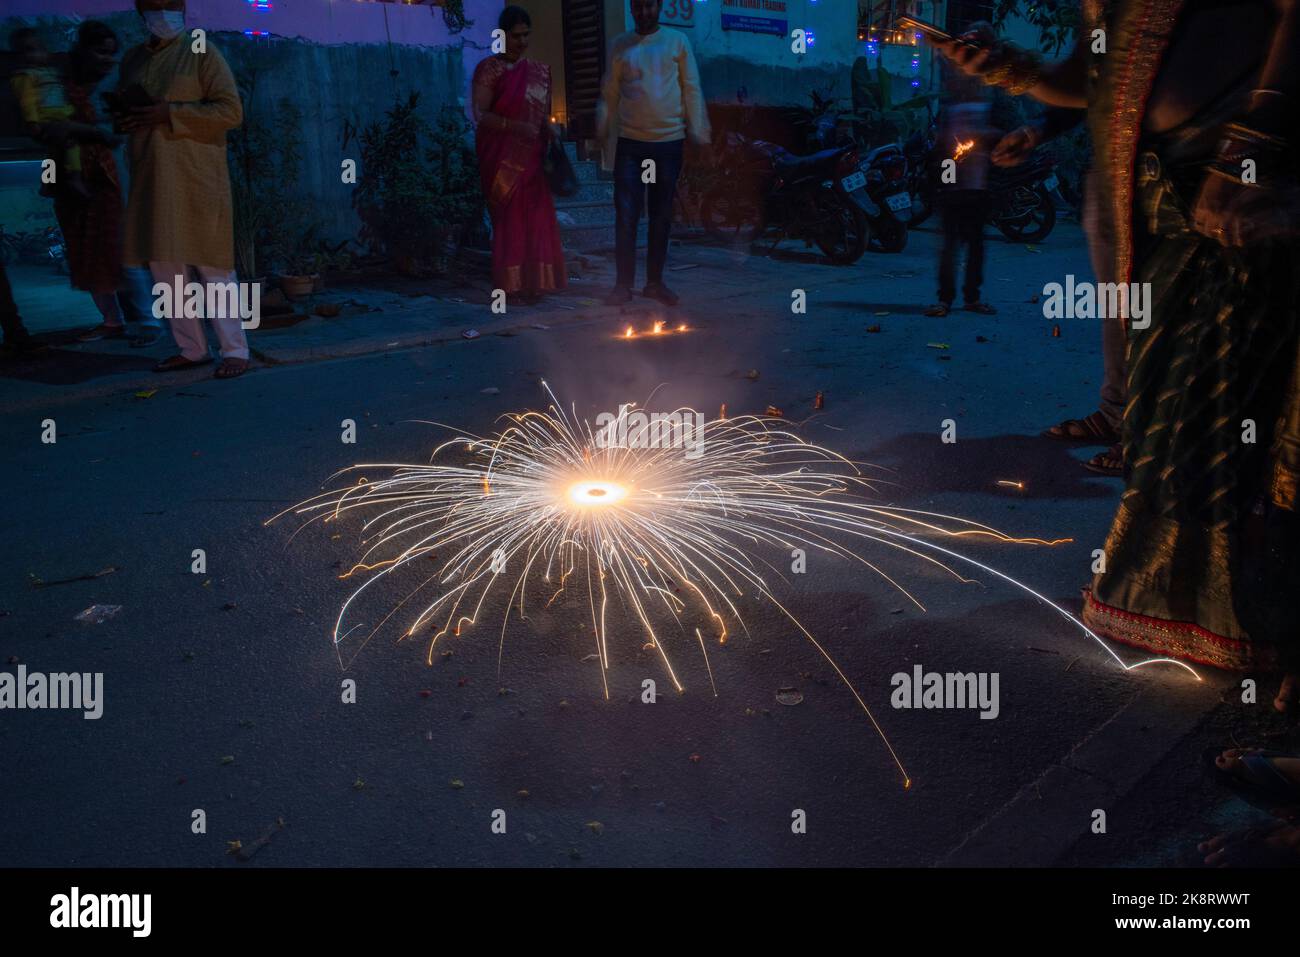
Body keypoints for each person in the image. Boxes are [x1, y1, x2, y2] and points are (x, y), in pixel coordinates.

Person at [931, 1, 1300, 691]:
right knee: (1163, 413)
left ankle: (1244, 619)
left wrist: (1252, 150)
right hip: (1162, 198)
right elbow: (1091, 80)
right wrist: (1010, 70)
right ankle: (1178, 604)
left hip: (1232, 197)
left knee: (1221, 412)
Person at [117, 0, 247, 379]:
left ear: (183, 8)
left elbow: (230, 112)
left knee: (212, 265)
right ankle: (192, 349)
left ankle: (235, 349)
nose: (161, 13)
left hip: (197, 175)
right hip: (151, 176)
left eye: (168, 4)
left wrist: (170, 113)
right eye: (153, 6)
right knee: (166, 268)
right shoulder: (133, 60)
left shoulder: (200, 49)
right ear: (140, 12)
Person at [995, 108, 1123, 476]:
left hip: (1180, 167)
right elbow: (1089, 77)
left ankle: (1154, 427)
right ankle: (1117, 411)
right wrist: (1038, 129)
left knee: (1154, 302)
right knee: (1121, 303)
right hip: (1113, 170)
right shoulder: (1103, 53)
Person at [38, 21, 164, 348]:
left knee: (120, 249)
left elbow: (119, 132)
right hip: (70, 179)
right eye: (100, 51)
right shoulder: (59, 85)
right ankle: (112, 321)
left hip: (107, 178)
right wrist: (91, 135)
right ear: (82, 51)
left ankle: (149, 320)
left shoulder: (113, 85)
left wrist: (91, 132)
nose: (107, 59)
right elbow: (51, 133)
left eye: (111, 53)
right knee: (85, 252)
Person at [597, 0, 710, 307]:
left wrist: (698, 131)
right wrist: (601, 127)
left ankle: (655, 283)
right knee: (626, 215)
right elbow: (609, 91)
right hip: (631, 145)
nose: (644, 13)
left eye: (650, 6)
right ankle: (623, 285)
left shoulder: (677, 41)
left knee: (661, 216)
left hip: (669, 143)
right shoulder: (620, 45)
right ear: (631, 9)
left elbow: (691, 87)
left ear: (659, 6)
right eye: (638, 7)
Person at [471, 5, 566, 305]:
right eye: (516, 36)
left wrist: (548, 130)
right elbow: (480, 114)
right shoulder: (489, 69)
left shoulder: (537, 72)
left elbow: (542, 117)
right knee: (511, 219)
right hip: (501, 158)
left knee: (536, 218)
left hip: (533, 158)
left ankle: (535, 283)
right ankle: (511, 284)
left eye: (526, 35)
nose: (522, 42)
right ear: (502, 36)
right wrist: (516, 127)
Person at [925, 58, 997, 318]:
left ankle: (971, 298)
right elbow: (942, 151)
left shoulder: (988, 108)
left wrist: (986, 138)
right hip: (955, 191)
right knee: (949, 246)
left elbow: (1001, 140)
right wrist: (946, 186)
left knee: (975, 246)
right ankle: (945, 299)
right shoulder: (951, 111)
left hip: (979, 189)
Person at [8, 29, 87, 200]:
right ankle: (74, 177)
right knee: (69, 144)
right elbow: (27, 101)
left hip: (59, 117)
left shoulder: (49, 72)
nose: (34, 54)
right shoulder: (25, 76)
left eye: (38, 48)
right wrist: (32, 122)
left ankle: (48, 183)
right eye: (27, 50)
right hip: (47, 119)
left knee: (53, 153)